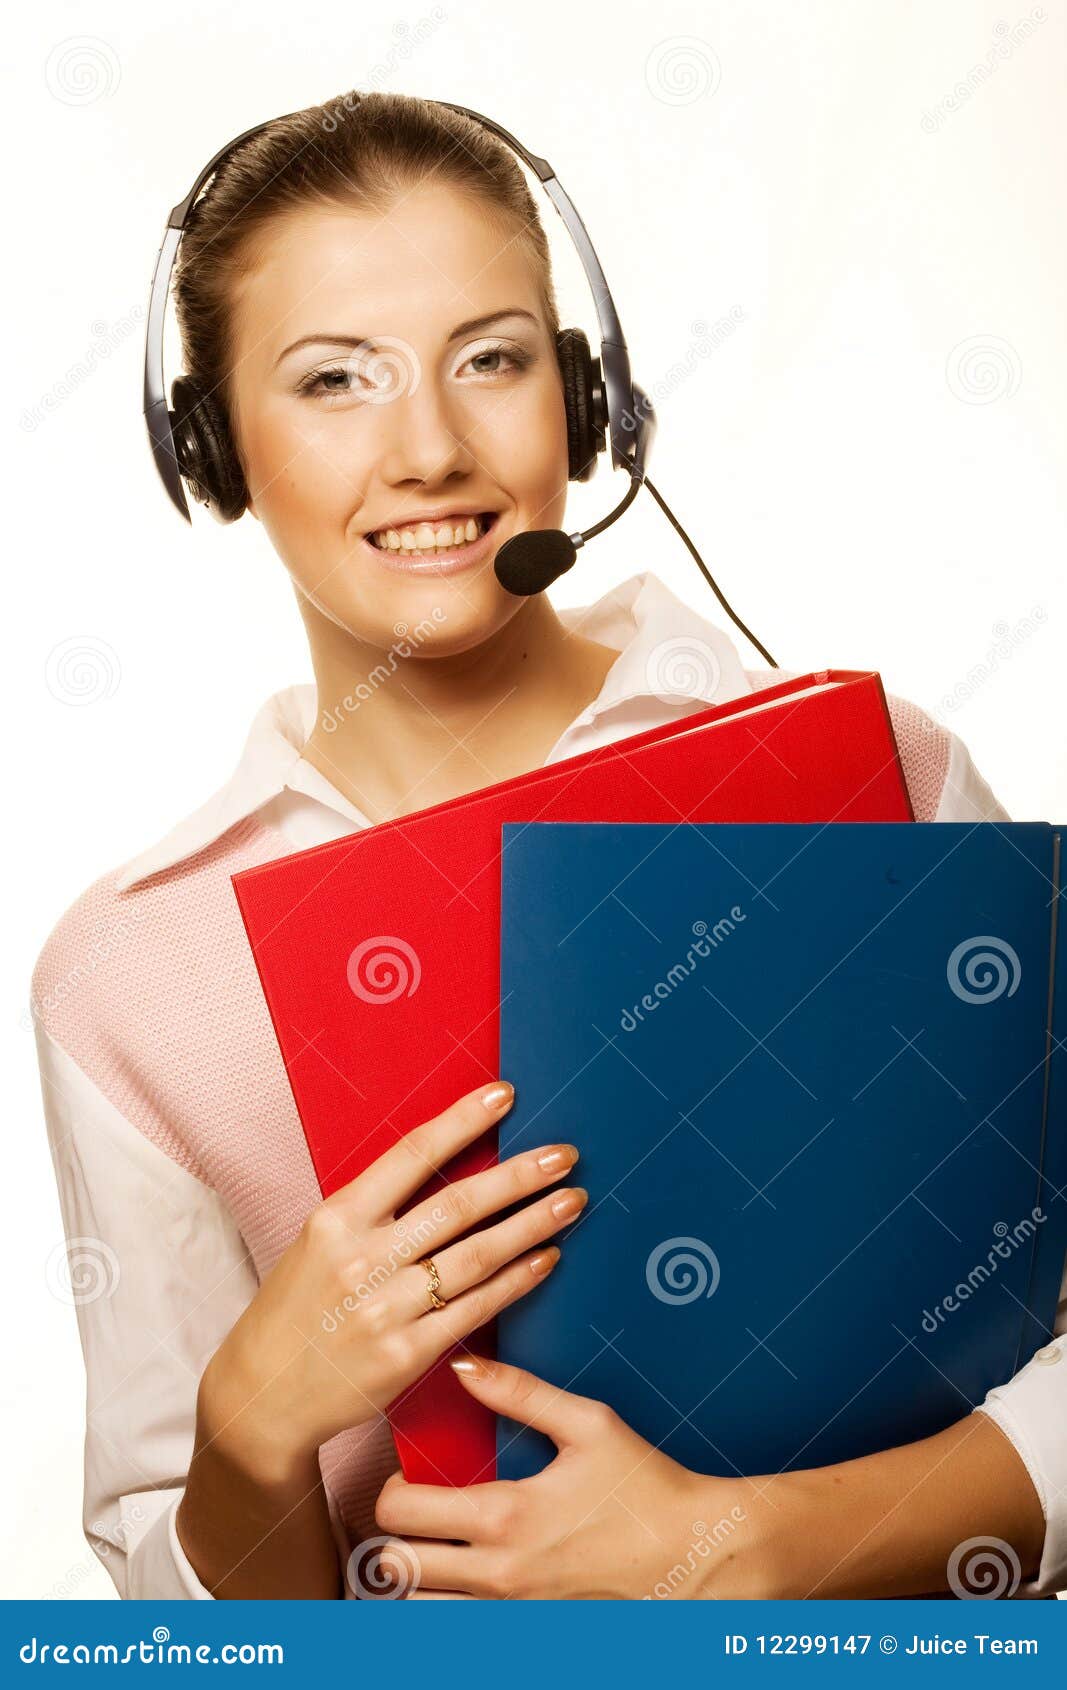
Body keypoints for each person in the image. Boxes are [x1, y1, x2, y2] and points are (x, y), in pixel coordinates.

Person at [31, 90, 1064, 1601]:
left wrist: (761, 1546)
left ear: (588, 402)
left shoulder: (870, 765)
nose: (433, 447)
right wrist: (247, 1436)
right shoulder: (133, 974)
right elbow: (197, 1642)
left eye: (495, 360)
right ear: (213, 446)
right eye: (335, 382)